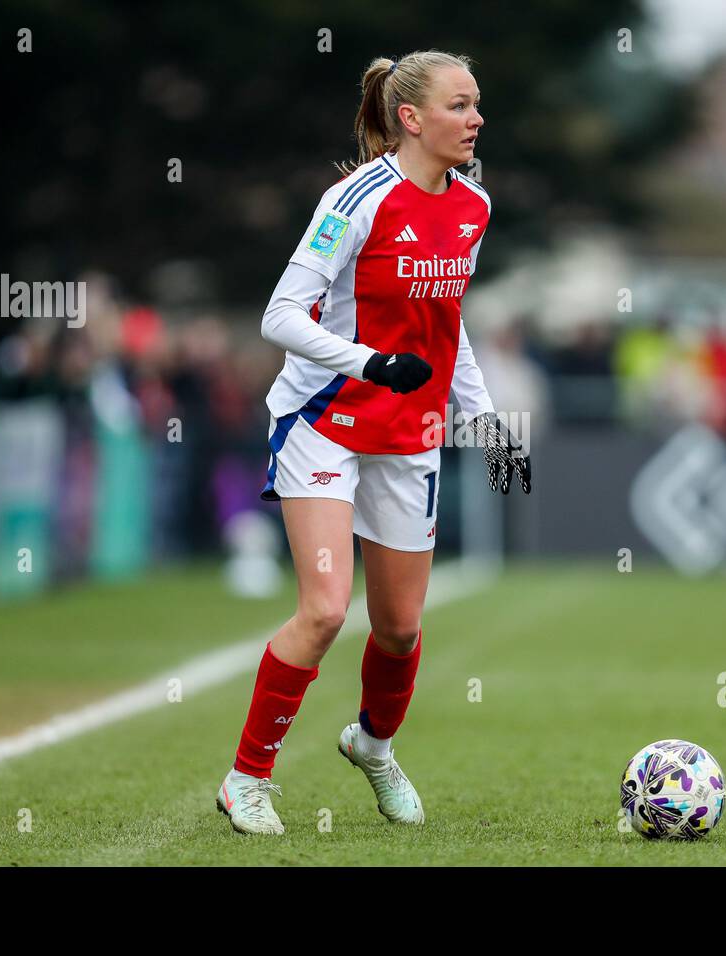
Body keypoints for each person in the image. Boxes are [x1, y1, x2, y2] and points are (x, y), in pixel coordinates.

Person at [217, 50, 531, 835]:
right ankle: (246, 779)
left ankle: (373, 745)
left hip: (409, 434)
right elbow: (279, 316)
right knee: (325, 611)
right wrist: (371, 363)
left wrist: (487, 422)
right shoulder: (355, 198)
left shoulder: (474, 208)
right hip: (322, 421)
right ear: (412, 119)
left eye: (478, 104)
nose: (476, 118)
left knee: (399, 628)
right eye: (461, 105)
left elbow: (446, 330)